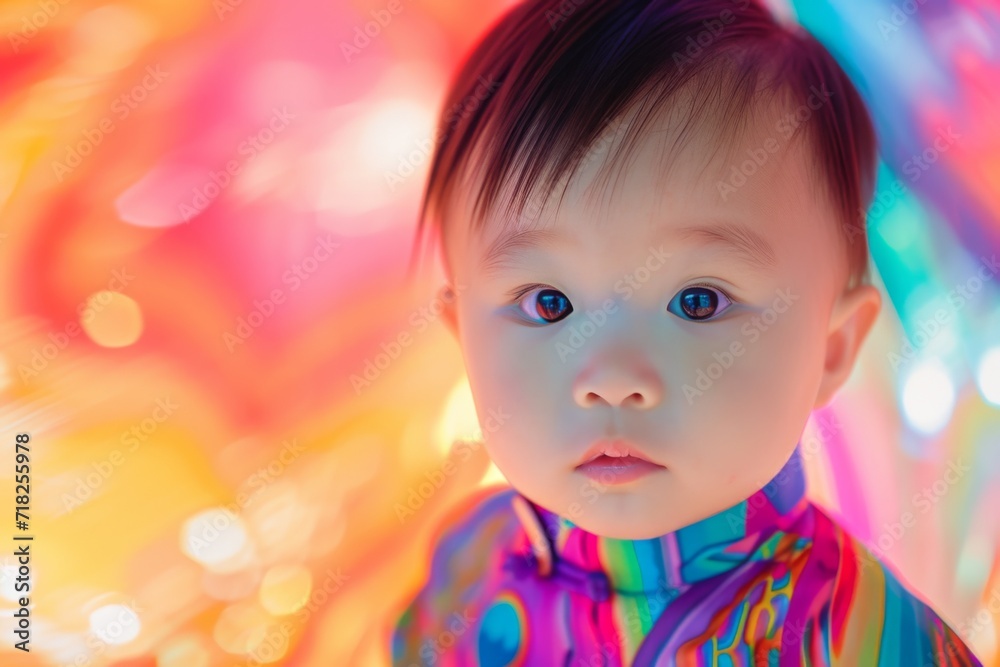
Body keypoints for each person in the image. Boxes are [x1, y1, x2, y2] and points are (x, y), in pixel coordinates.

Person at [391, 0, 984, 663]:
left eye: (698, 301)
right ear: (462, 334)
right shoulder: (470, 564)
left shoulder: (856, 637)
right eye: (548, 303)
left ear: (832, 346)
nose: (614, 377)